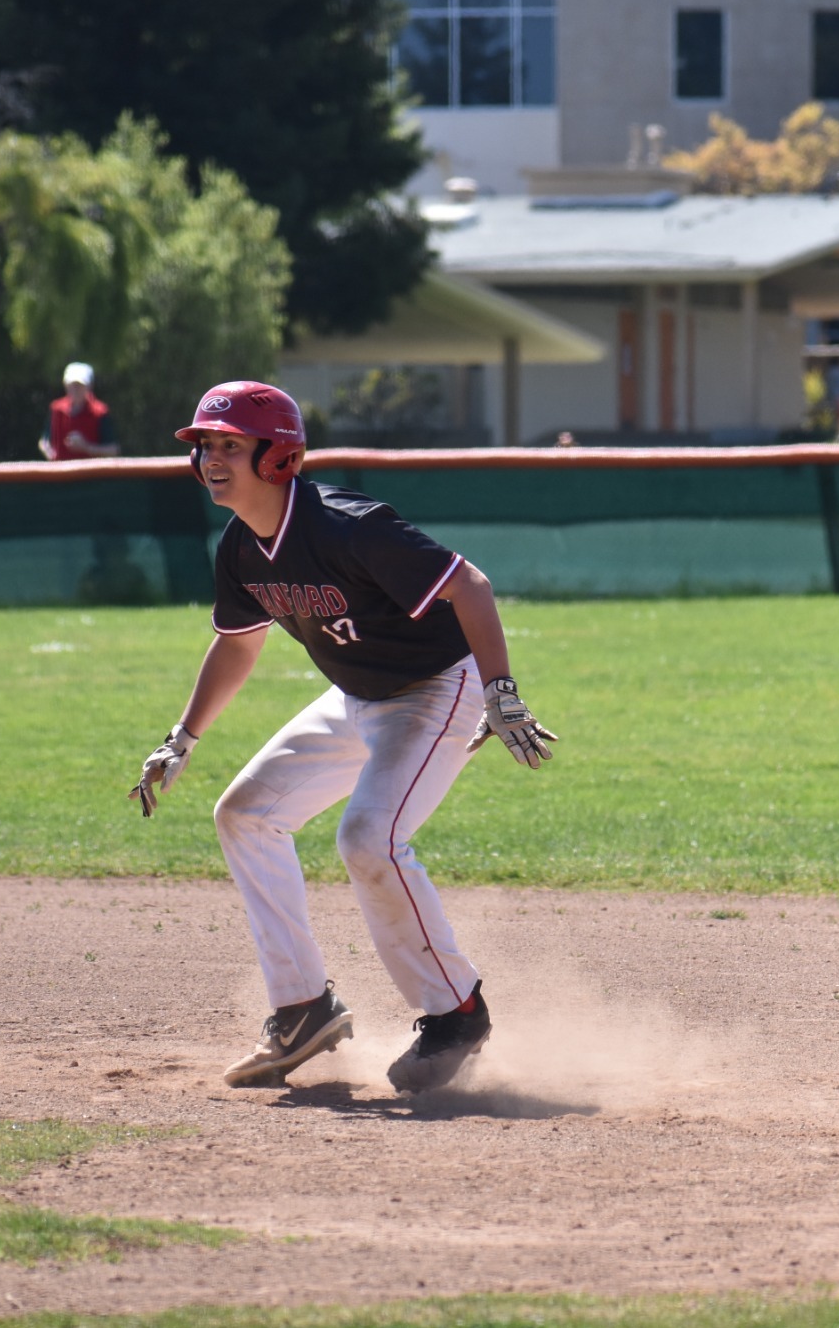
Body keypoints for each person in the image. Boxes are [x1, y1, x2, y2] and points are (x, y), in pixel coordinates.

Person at [130, 380, 557, 1095]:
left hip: (433, 692)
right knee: (244, 815)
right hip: (358, 696)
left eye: (230, 444)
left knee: (368, 839)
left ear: (278, 458)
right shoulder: (240, 547)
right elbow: (237, 646)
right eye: (204, 444)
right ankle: (303, 1009)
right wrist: (184, 738)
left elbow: (471, 586)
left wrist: (500, 692)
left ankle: (457, 1012)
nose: (210, 457)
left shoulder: (350, 526)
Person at [39, 362, 119, 460]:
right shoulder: (56, 409)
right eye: (72, 384)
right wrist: (48, 452)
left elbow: (113, 450)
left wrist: (86, 447)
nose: (75, 389)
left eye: (80, 385)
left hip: (91, 473)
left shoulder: (100, 412)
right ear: (65, 385)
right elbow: (44, 441)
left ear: (89, 387)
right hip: (60, 472)